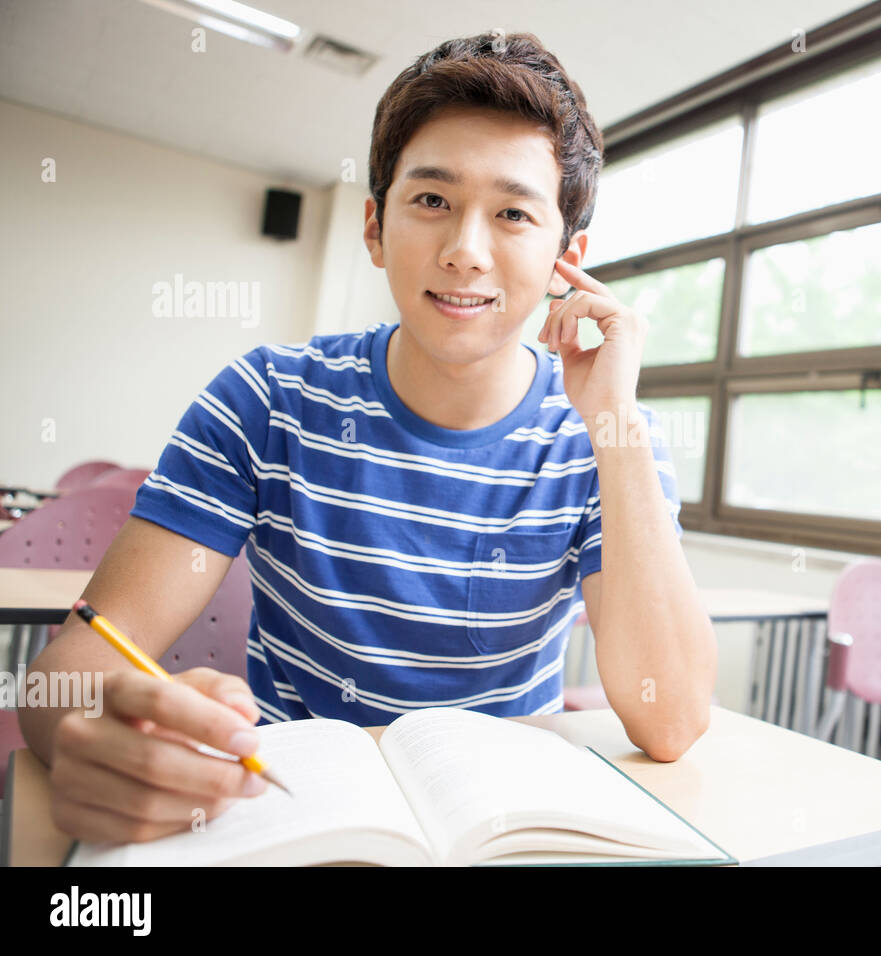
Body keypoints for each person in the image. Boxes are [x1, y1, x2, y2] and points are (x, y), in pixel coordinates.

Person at [21, 31, 717, 845]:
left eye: (514, 214)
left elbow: (670, 721)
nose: (465, 251)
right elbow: (77, 666)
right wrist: (94, 734)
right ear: (375, 227)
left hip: (505, 831)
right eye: (431, 200)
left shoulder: (606, 437)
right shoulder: (268, 399)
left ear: (567, 258)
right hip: (292, 821)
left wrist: (617, 427)